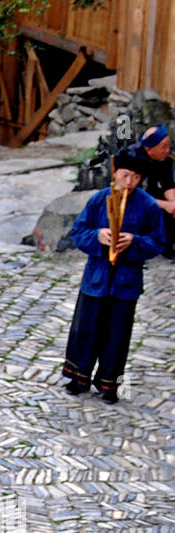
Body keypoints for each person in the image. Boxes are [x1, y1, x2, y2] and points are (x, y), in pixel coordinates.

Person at [62, 149, 165, 402]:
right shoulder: (99, 199)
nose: (129, 183)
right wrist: (97, 236)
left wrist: (135, 242)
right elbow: (78, 231)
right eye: (125, 175)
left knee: (117, 335)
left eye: (135, 177)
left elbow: (158, 241)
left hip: (125, 282)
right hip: (96, 278)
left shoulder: (148, 205)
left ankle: (109, 385)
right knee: (85, 330)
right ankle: (78, 378)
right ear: (115, 173)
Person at [136, 126, 175, 259]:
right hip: (136, 200)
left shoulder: (165, 160)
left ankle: (168, 246)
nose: (167, 150)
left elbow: (167, 185)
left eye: (168, 146)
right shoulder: (134, 161)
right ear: (149, 149)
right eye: (163, 147)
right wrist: (165, 205)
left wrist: (173, 203)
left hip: (154, 196)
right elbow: (136, 194)